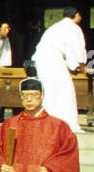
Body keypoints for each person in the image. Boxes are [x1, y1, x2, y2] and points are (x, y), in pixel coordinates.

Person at [32, 7, 87, 135]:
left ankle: (48, 121)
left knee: (49, 90)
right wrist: (80, 65)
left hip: (42, 59)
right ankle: (65, 123)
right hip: (53, 59)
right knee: (65, 90)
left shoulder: (55, 27)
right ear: (76, 15)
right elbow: (77, 48)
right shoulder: (73, 28)